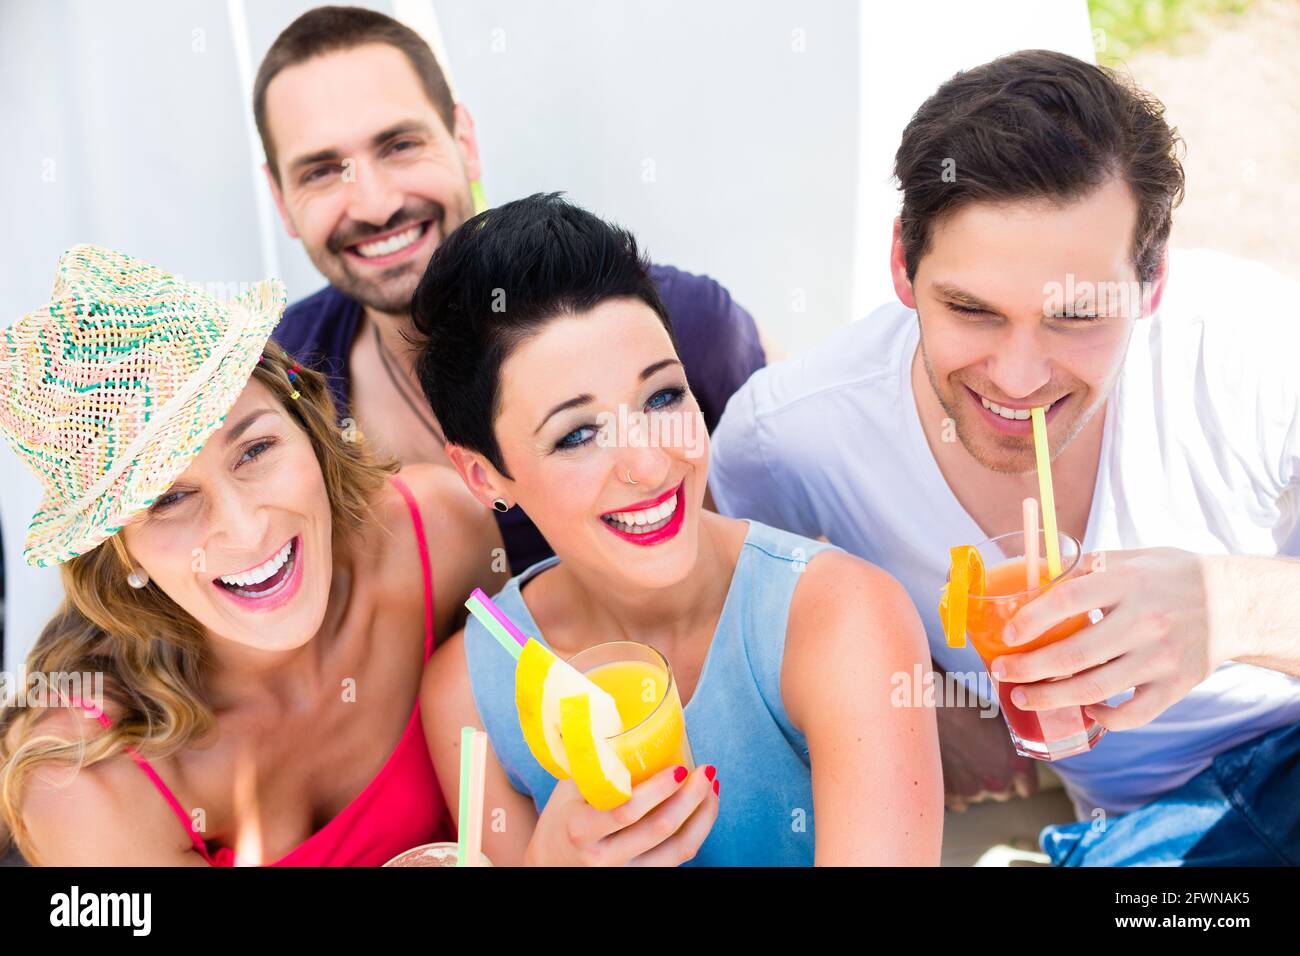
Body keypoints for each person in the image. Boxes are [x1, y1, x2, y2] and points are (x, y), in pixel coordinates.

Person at [708, 49, 1300, 865]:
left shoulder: (1256, 346)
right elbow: (738, 669)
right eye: (972, 310)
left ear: (1153, 280)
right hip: (1150, 842)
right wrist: (906, 705)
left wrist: (1228, 605)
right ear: (902, 267)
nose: (1018, 379)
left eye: (1078, 316)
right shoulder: (785, 447)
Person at [413, 193, 942, 866]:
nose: (649, 462)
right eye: (577, 434)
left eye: (662, 396)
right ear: (485, 477)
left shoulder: (842, 619)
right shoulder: (470, 694)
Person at [0, 246, 506, 865]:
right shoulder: (83, 776)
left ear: (310, 426)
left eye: (255, 449)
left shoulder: (445, 532)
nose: (244, 530)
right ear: (118, 551)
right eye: (168, 500)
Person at [255, 5, 768, 575]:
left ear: (464, 140)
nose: (376, 204)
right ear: (281, 201)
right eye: (321, 171)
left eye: (399, 144)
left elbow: (783, 513)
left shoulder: (679, 324)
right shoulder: (276, 383)